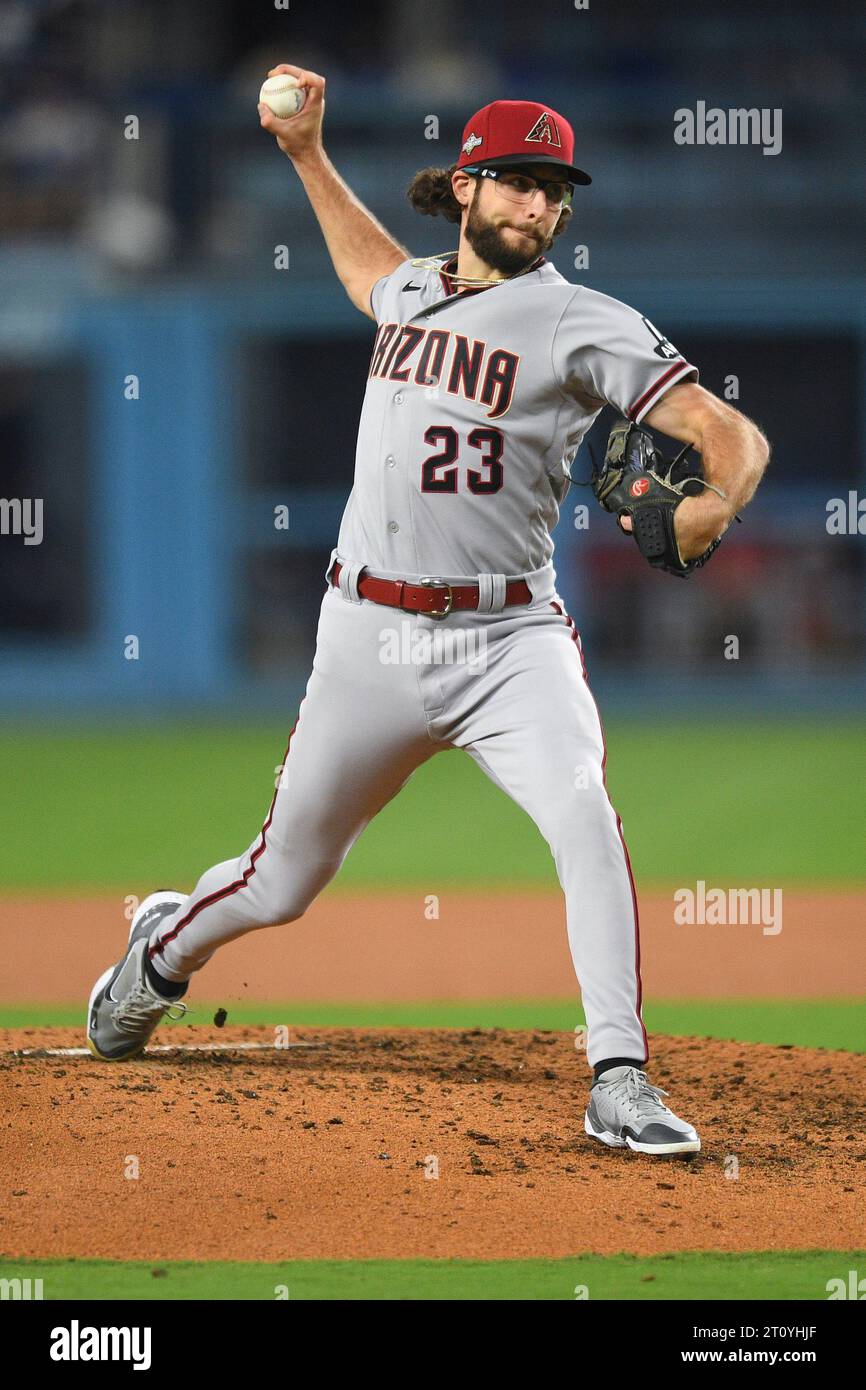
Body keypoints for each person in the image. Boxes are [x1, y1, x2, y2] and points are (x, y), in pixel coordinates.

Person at [87, 69, 769, 1157]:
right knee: (280, 883)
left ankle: (619, 1073)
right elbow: (372, 271)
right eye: (513, 183)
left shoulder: (578, 320)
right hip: (367, 635)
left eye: (551, 190)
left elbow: (727, 431)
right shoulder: (411, 294)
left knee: (583, 813)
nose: (534, 206)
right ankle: (159, 952)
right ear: (464, 188)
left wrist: (713, 502)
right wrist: (307, 155)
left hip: (511, 640)